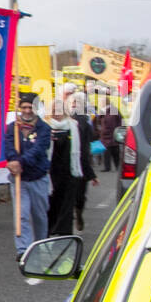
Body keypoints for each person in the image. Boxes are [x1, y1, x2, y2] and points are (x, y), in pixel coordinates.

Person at [3, 97, 51, 261]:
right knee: (21, 214)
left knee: (39, 215)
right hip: (19, 179)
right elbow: (8, 146)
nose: (27, 111)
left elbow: (39, 150)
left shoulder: (44, 129)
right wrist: (12, 160)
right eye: (24, 107)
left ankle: (41, 244)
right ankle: (23, 249)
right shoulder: (12, 128)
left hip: (38, 178)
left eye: (30, 107)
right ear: (19, 108)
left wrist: (20, 162)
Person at [48, 90, 98, 235]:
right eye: (54, 110)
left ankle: (64, 231)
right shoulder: (46, 128)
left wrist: (90, 174)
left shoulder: (74, 126)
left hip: (70, 171)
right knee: (53, 202)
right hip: (51, 172)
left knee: (68, 203)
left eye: (59, 110)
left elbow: (82, 150)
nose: (57, 113)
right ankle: (52, 228)